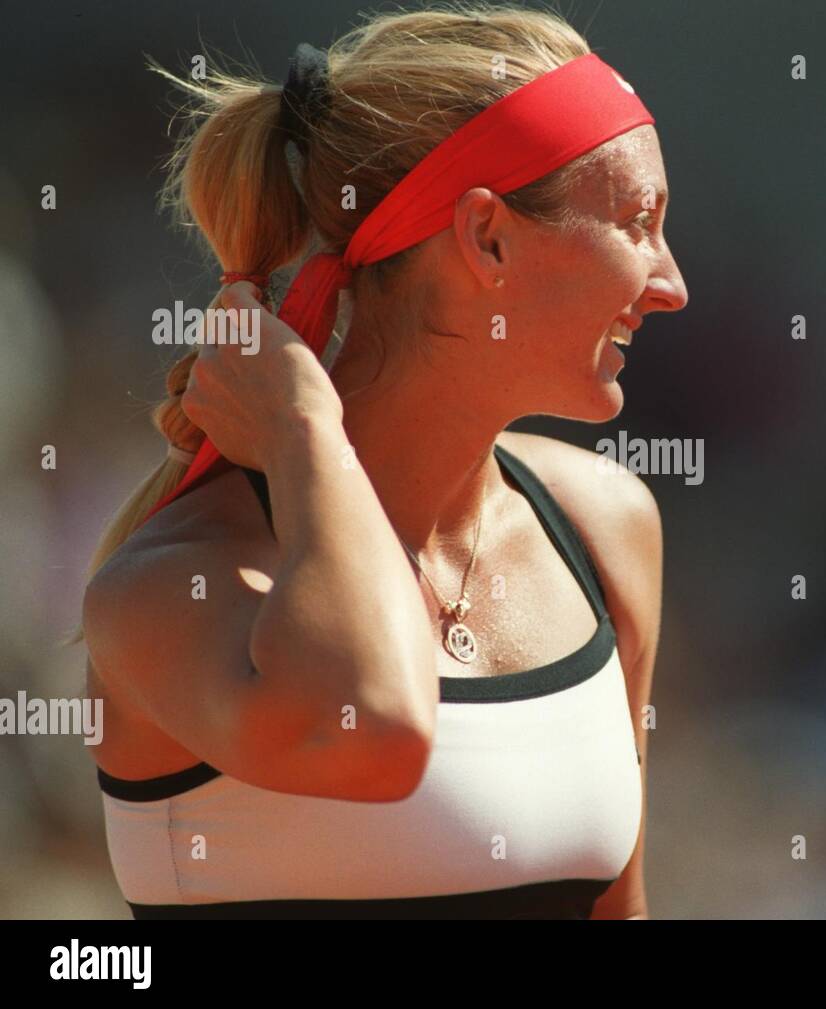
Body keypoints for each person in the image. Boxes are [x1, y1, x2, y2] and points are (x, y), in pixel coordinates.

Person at [76, 3, 687, 919]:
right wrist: (302, 433)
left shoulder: (607, 527)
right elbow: (373, 727)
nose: (672, 284)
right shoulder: (170, 586)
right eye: (639, 223)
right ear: (486, 237)